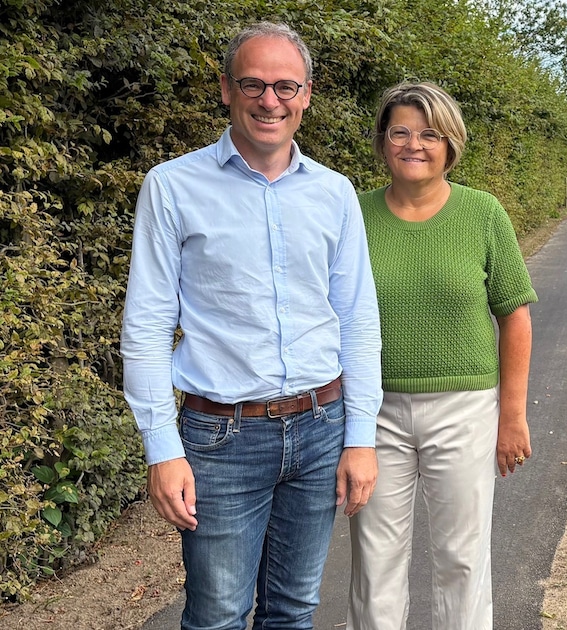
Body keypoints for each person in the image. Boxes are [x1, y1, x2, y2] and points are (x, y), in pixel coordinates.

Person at [120, 22, 383, 630]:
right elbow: (147, 326)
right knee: (216, 615)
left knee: (293, 611)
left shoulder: (335, 193)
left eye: (286, 86)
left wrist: (360, 436)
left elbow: (357, 321)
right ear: (226, 90)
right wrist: (162, 448)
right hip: (220, 440)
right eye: (254, 84)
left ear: (307, 94)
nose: (271, 100)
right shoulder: (172, 187)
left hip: (322, 429)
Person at [347, 82, 537, 630]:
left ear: (450, 143)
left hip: (466, 409)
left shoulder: (482, 213)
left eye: (429, 133)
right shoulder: (352, 215)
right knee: (375, 562)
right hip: (373, 413)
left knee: (461, 557)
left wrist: (513, 415)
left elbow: (515, 314)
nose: (414, 144)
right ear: (383, 143)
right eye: (400, 132)